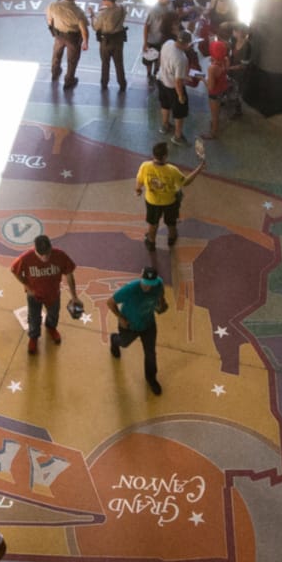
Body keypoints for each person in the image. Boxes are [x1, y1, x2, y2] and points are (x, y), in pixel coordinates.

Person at [10, 234, 79, 355]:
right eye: (41, 255)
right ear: (35, 250)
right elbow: (14, 270)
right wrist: (26, 284)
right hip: (34, 295)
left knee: (53, 314)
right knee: (33, 317)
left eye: (47, 253)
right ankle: (34, 336)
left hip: (53, 294)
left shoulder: (60, 255)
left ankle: (51, 327)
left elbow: (69, 274)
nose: (45, 258)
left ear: (51, 247)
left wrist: (74, 297)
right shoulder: (26, 258)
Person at [106, 266, 170, 395]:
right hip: (130, 325)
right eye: (146, 284)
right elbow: (110, 302)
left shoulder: (158, 284)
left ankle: (151, 378)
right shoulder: (130, 289)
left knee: (150, 353)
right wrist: (121, 318)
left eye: (151, 284)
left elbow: (160, 295)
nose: (148, 287)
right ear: (141, 276)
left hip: (149, 324)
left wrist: (161, 304)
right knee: (124, 343)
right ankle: (114, 339)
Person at [136, 141, 205, 251]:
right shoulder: (172, 170)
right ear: (165, 156)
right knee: (171, 222)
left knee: (153, 224)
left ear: (154, 155)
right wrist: (199, 169)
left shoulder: (145, 166)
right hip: (170, 202)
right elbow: (186, 182)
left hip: (152, 202)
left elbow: (139, 181)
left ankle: (151, 242)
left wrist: (138, 189)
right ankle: (171, 238)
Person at [155, 26, 196, 141]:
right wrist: (181, 96)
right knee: (179, 112)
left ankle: (165, 125)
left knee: (165, 104)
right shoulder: (181, 58)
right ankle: (178, 136)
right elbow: (178, 81)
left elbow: (161, 59)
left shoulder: (168, 43)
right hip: (173, 87)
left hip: (161, 79)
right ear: (187, 44)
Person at [46, 0, 90, 89]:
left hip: (59, 35)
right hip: (73, 38)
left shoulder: (53, 5)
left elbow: (49, 19)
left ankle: (55, 72)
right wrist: (85, 42)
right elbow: (84, 30)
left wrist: (53, 30)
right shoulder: (78, 12)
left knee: (56, 55)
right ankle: (69, 80)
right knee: (72, 60)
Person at [93, 0, 130, 92]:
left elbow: (96, 27)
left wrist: (93, 16)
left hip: (106, 41)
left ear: (109, 1)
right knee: (119, 63)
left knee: (105, 63)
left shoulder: (103, 13)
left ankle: (104, 83)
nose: (102, 1)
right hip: (118, 40)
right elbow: (120, 13)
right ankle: (122, 83)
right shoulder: (122, 8)